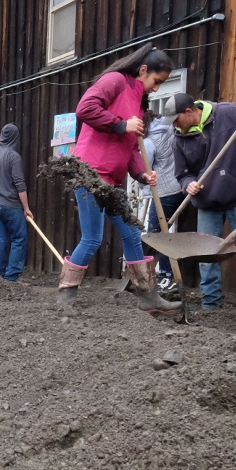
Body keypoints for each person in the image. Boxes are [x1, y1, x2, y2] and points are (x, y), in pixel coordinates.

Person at [59, 45, 179, 309]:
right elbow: (85, 108)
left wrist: (142, 173)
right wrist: (122, 124)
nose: (157, 88)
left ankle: (147, 295)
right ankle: (65, 296)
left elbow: (133, 148)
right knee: (92, 238)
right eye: (157, 81)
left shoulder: (139, 102)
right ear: (143, 70)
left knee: (133, 234)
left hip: (113, 181)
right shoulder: (115, 81)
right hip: (90, 174)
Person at [166, 93, 236, 311]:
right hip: (207, 203)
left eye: (176, 120)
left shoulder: (225, 113)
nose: (174, 125)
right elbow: (182, 174)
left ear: (189, 112)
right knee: (207, 255)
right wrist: (188, 184)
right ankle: (211, 305)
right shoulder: (178, 139)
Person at [145, 103, 191, 300]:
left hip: (164, 191)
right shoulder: (172, 131)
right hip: (182, 186)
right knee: (166, 231)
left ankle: (166, 275)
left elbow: (145, 167)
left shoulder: (149, 140)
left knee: (157, 234)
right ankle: (167, 274)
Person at [0, 123, 32, 282]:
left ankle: (0, 275)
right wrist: (26, 208)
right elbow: (20, 184)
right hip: (10, 204)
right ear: (15, 137)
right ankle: (12, 276)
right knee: (19, 238)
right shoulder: (13, 156)